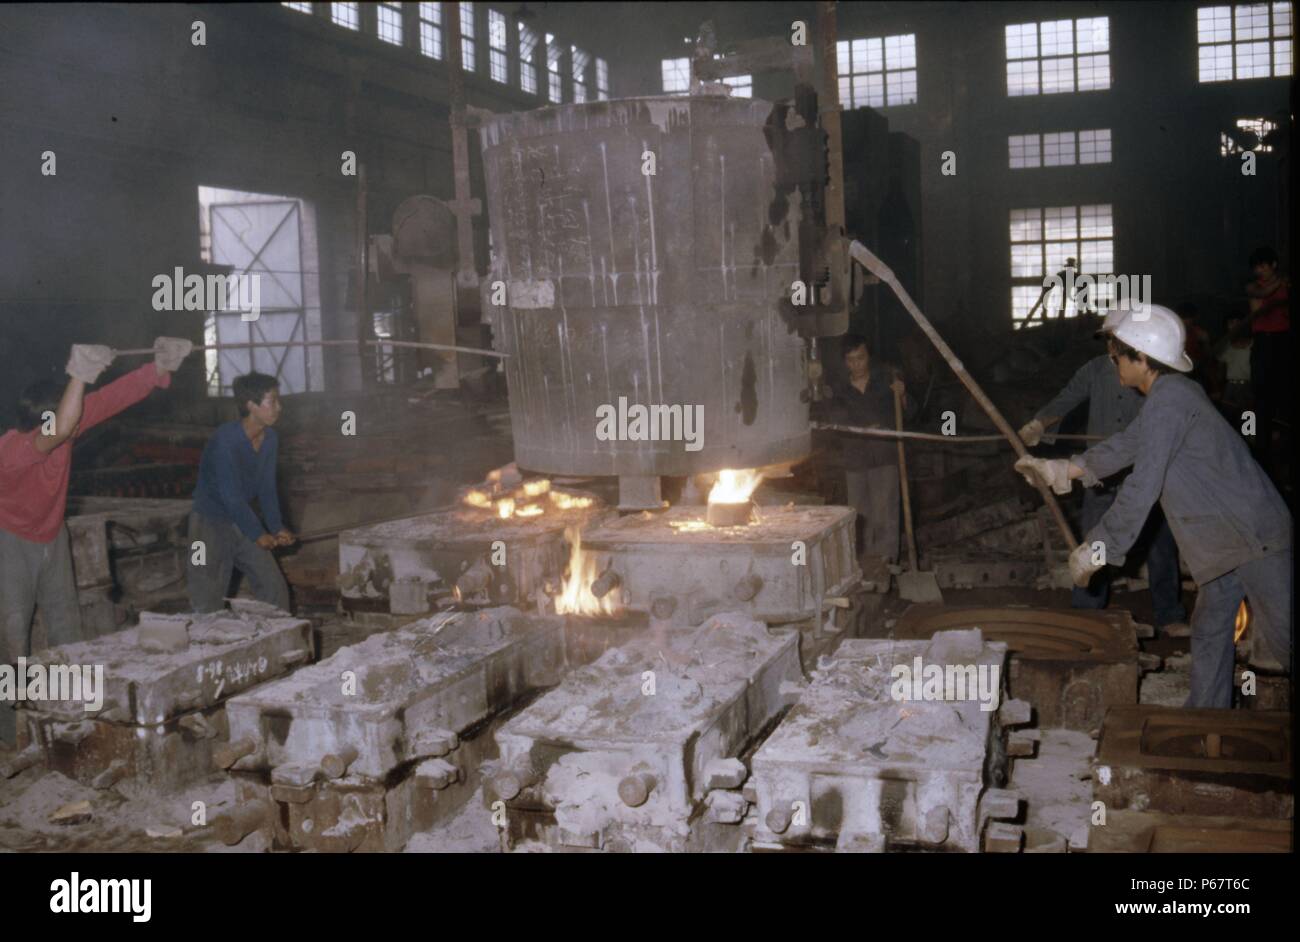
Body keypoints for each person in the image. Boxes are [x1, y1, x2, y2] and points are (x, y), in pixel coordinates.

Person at [1016, 304, 1292, 709]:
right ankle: (1205, 717)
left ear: (1142, 358)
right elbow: (1126, 444)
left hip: (1255, 539)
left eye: (1118, 357)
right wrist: (1063, 469)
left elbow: (1142, 484)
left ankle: (1207, 712)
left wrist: (1099, 549)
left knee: (1287, 640)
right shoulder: (1171, 395)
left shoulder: (1170, 400)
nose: (1114, 364)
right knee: (1212, 630)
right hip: (1227, 545)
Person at [1, 338, 190, 742]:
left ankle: (74, 713)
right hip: (8, 540)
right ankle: (11, 731)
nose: (74, 424)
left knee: (67, 626)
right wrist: (78, 375)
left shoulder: (62, 430)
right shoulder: (12, 451)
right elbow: (65, 424)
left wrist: (155, 368)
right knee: (12, 637)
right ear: (43, 421)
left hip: (52, 535)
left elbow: (110, 399)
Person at [1017, 313, 1186, 631]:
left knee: (1160, 541)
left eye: (1116, 338)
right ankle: (1088, 612)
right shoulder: (1094, 371)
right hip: (1100, 473)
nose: (1111, 345)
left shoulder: (1152, 378)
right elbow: (1066, 399)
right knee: (1092, 541)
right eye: (1109, 338)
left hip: (1144, 470)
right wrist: (1040, 423)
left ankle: (1169, 614)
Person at [187, 372, 296, 614]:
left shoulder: (270, 439)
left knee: (274, 588)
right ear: (251, 406)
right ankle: (205, 645)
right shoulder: (225, 440)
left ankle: (279, 642)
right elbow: (230, 496)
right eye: (272, 401)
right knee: (206, 592)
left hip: (242, 519)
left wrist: (276, 526)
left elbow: (267, 488)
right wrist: (258, 533)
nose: (279, 407)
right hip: (208, 524)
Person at [829, 335, 911, 559]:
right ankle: (862, 565)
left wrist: (902, 396)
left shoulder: (886, 381)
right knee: (859, 515)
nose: (856, 364)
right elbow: (836, 423)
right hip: (855, 460)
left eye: (860, 358)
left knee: (885, 513)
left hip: (884, 456)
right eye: (851, 360)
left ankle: (885, 564)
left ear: (868, 358)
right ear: (845, 362)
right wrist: (865, 428)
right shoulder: (839, 389)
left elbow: (909, 415)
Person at [1244, 246, 1289, 477]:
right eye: (1256, 266)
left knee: (1284, 396)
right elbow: (1260, 299)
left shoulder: (1285, 284)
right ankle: (1259, 458)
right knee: (1261, 398)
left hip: (1284, 341)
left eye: (1264, 265)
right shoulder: (1254, 287)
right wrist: (1279, 285)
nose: (1260, 270)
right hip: (1263, 343)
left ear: (1273, 264)